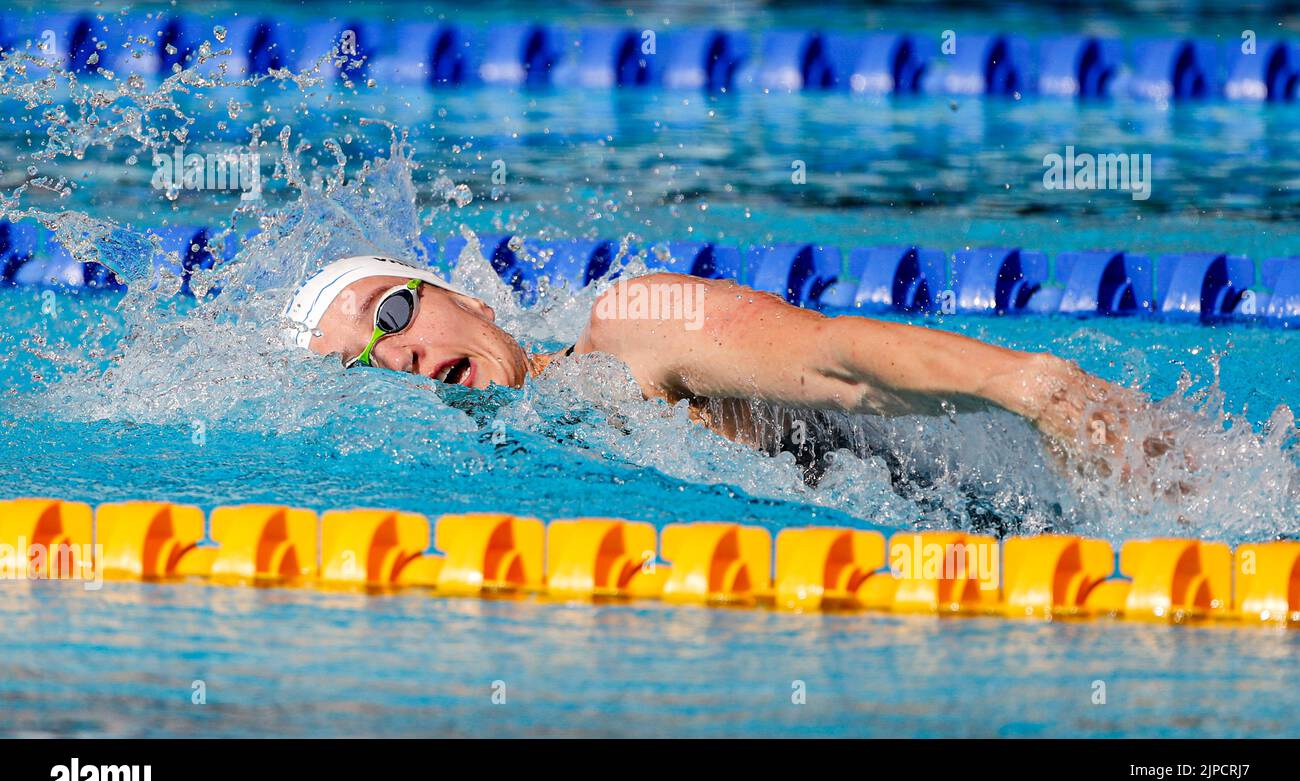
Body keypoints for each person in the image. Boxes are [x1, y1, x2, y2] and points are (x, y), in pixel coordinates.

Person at [285, 254, 1143, 474]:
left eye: (391, 314)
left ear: (469, 299)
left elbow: (832, 358)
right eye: (365, 369)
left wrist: (1030, 385)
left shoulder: (630, 331)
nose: (400, 357)